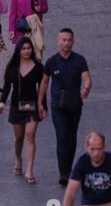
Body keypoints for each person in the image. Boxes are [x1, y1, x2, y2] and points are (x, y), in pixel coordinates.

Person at [39, 28, 92, 185]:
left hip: (75, 104)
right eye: (63, 40)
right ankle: (64, 172)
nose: (66, 43)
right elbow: (44, 82)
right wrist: (40, 102)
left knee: (72, 137)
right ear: (58, 41)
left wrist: (87, 88)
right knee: (62, 137)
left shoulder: (79, 60)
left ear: (73, 41)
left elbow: (87, 78)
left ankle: (68, 168)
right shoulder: (51, 62)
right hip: (57, 106)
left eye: (69, 40)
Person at [0, 36, 45, 183]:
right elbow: (7, 87)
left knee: (30, 136)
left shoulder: (38, 67)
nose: (27, 51)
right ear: (18, 50)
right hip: (17, 106)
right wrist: (2, 102)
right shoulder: (12, 67)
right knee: (19, 137)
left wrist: (44, 106)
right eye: (23, 48)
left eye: (29, 48)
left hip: (32, 105)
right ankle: (18, 159)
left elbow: (42, 89)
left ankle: (30, 170)